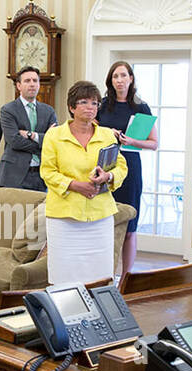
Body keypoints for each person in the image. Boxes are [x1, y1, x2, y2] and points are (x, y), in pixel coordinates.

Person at [39, 80, 128, 287]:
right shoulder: (54, 135)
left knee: (100, 277)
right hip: (64, 217)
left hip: (100, 216)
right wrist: (76, 185)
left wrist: (108, 177)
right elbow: (48, 172)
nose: (90, 107)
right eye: (84, 102)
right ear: (72, 107)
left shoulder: (107, 135)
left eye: (95, 103)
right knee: (64, 277)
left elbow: (121, 167)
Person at [97, 61, 158, 277]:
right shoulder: (102, 105)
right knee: (105, 223)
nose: (120, 80)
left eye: (123, 75)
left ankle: (126, 278)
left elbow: (154, 143)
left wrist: (131, 141)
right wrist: (107, 132)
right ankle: (104, 276)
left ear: (131, 79)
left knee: (130, 226)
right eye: (115, 76)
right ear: (110, 81)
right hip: (106, 163)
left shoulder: (141, 107)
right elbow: (91, 131)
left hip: (131, 166)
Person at [0, 67, 57, 191]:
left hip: (41, 177)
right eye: (27, 81)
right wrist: (43, 141)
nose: (32, 84)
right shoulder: (8, 110)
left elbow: (54, 141)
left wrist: (32, 135)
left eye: (35, 80)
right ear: (18, 85)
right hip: (14, 175)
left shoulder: (49, 111)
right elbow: (14, 141)